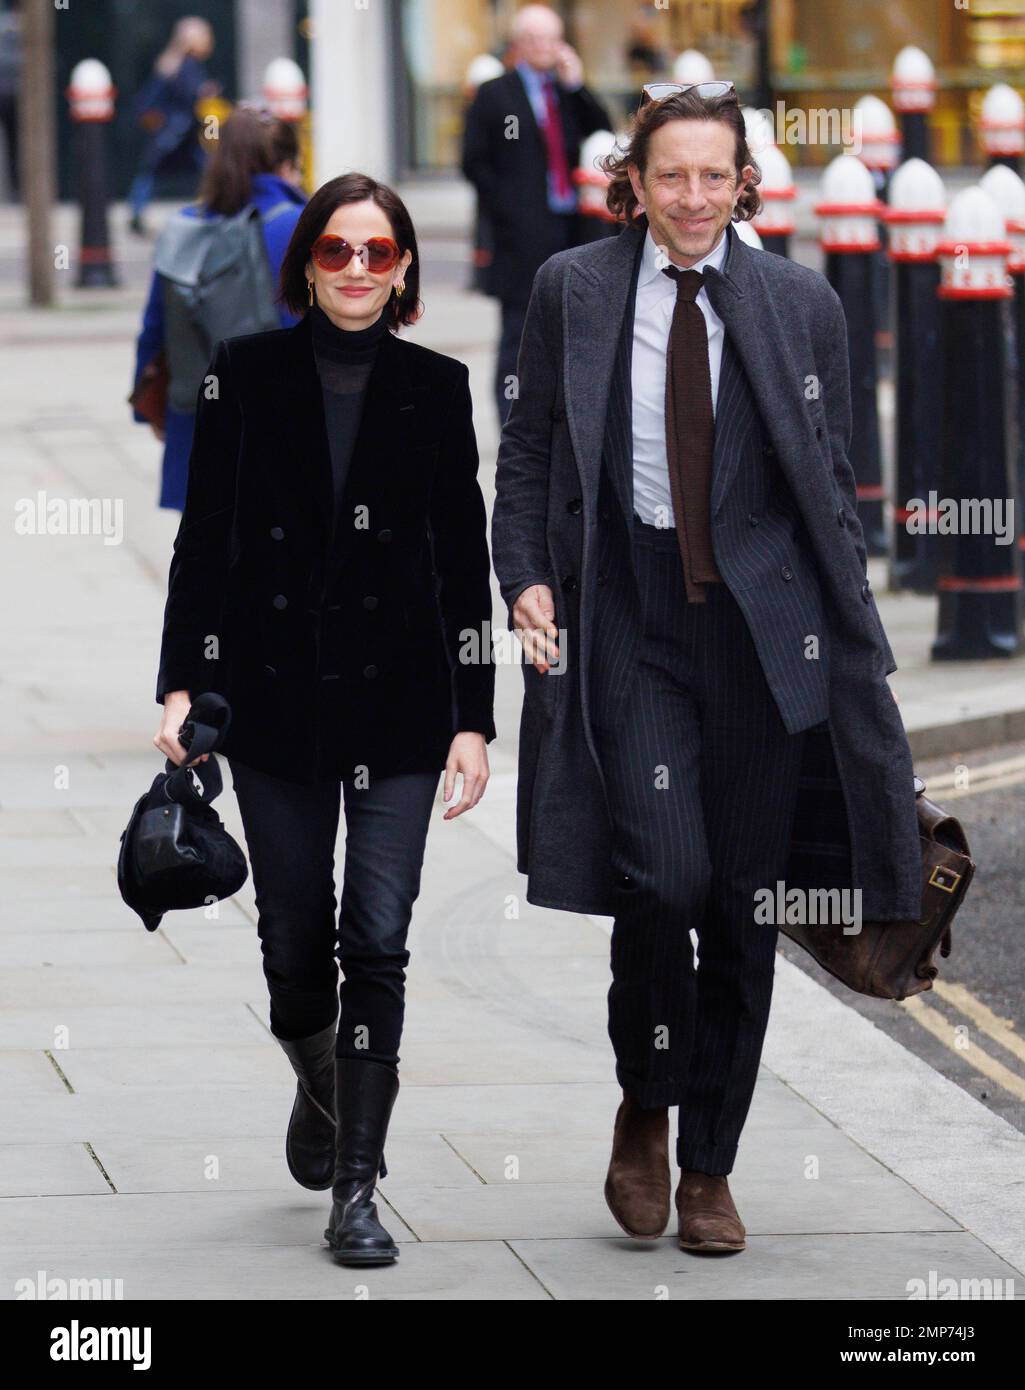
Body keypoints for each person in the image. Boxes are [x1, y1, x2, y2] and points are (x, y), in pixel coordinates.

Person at [490, 83, 922, 1254]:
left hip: (758, 638)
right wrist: (522, 572)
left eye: (710, 177)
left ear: (744, 184)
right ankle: (645, 1093)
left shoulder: (797, 303)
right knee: (662, 879)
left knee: (742, 905)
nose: (689, 198)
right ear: (631, 181)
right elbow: (525, 447)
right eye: (666, 175)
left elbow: (831, 486)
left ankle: (709, 1167)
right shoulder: (569, 291)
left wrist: (851, 650)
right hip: (628, 621)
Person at [153, 172, 496, 1267]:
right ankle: (320, 1080)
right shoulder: (245, 376)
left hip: (400, 703)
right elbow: (204, 541)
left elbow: (464, 565)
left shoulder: (437, 387)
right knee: (295, 939)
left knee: (377, 939)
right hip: (273, 696)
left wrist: (474, 717)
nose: (356, 270)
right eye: (337, 251)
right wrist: (179, 684)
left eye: (379, 253)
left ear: (403, 273)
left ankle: (357, 1185)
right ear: (306, 263)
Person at [132, 105, 306, 512]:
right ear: (285, 168)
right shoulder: (301, 224)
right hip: (283, 429)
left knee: (210, 564)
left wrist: (150, 412)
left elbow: (154, 329)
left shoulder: (181, 228)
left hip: (197, 423)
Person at [461, 3, 610, 428]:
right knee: (518, 335)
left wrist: (578, 85)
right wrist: (509, 208)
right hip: (519, 239)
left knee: (568, 330)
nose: (548, 47)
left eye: (554, 38)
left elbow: (602, 132)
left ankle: (560, 417)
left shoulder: (566, 93)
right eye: (540, 39)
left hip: (571, 230)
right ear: (522, 43)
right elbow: (473, 162)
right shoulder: (496, 94)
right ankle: (511, 420)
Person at [127, 15, 220, 235]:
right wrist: (205, 92)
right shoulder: (186, 65)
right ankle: (215, 208)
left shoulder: (170, 64)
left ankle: (137, 211)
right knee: (205, 168)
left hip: (175, 131)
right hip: (177, 131)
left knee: (153, 172)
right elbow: (191, 95)